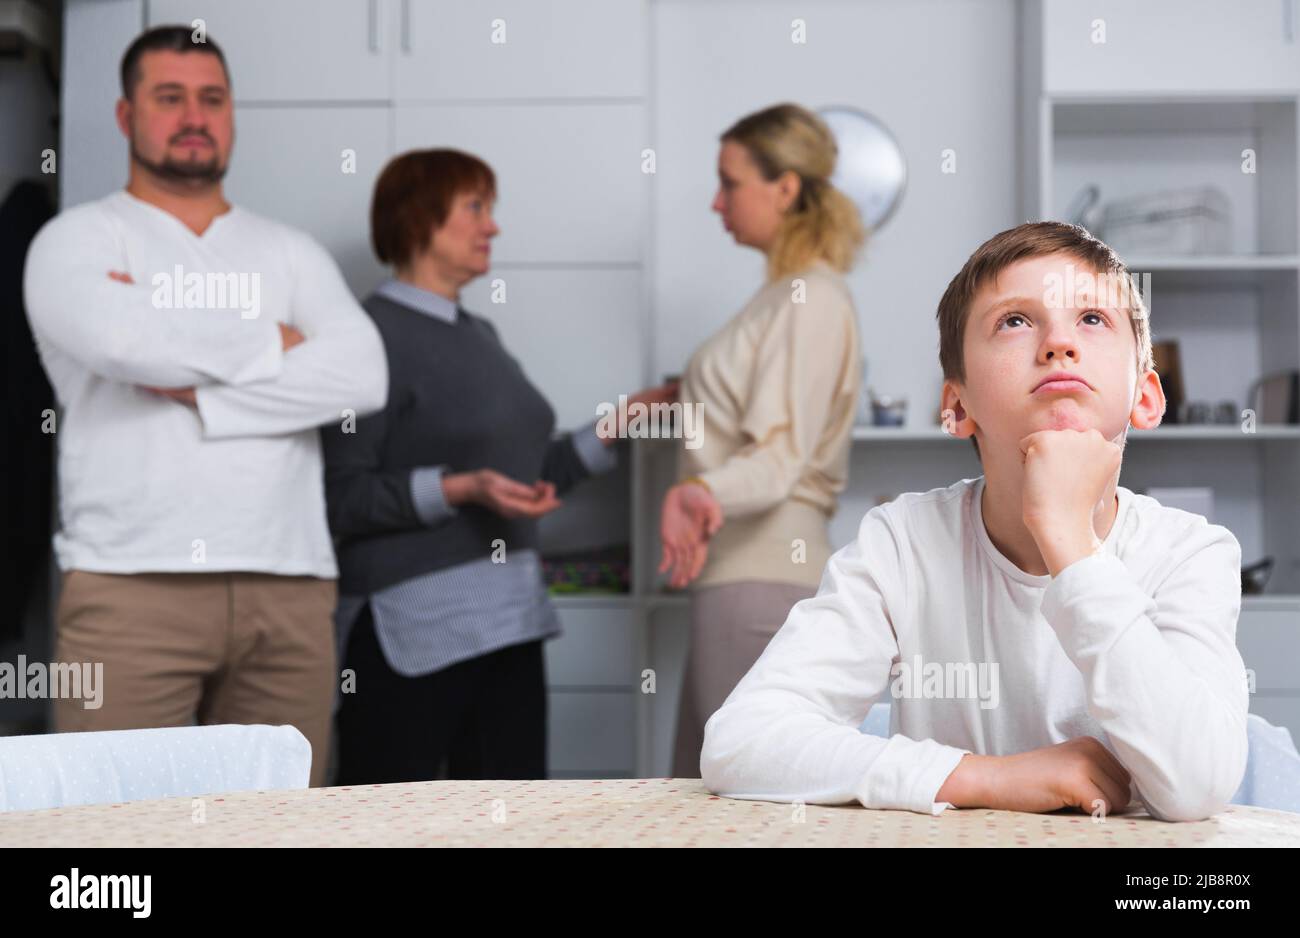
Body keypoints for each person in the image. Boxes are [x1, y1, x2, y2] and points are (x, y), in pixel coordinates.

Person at [700, 221, 1250, 822]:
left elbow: (1198, 786)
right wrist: (988, 778)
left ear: (1145, 396)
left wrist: (1068, 540)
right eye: (1015, 320)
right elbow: (741, 741)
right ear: (957, 405)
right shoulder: (901, 543)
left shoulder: (1191, 552)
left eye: (1092, 319)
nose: (1057, 344)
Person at [22, 26, 388, 787]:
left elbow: (361, 376)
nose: (195, 115)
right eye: (170, 97)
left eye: (212, 99)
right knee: (109, 832)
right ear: (126, 116)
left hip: (288, 586)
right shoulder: (73, 242)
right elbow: (124, 345)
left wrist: (196, 386)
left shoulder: (290, 251)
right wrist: (275, 340)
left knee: (281, 830)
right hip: (129, 587)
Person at [323, 148, 675, 784]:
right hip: (414, 631)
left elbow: (534, 472)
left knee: (511, 826)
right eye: (476, 208)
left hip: (509, 619)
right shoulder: (365, 334)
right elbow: (341, 496)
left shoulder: (478, 333)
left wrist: (626, 417)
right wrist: (461, 489)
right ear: (418, 219)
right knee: (386, 826)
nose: (493, 227)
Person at [657, 103, 865, 777]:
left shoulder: (811, 298)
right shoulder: (784, 299)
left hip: (761, 580)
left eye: (730, 182)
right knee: (704, 798)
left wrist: (694, 490)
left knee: (739, 808)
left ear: (784, 186)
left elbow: (778, 458)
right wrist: (675, 401)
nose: (717, 203)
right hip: (741, 579)